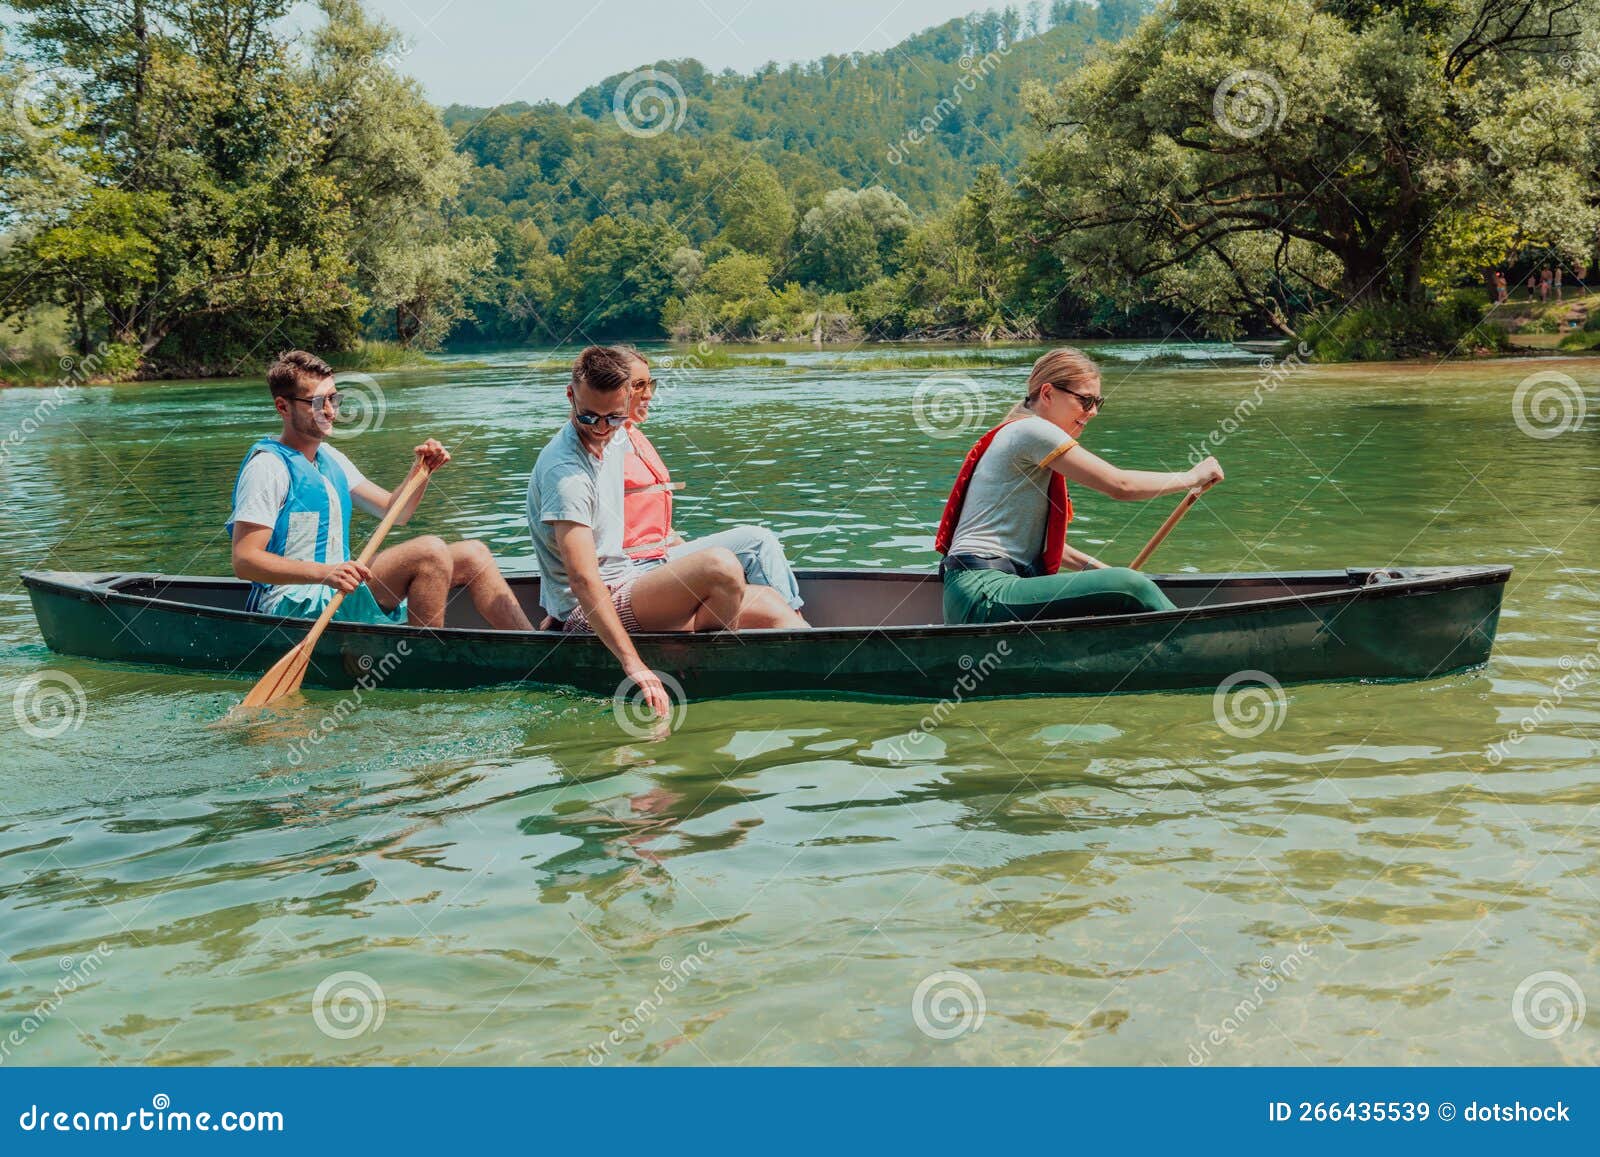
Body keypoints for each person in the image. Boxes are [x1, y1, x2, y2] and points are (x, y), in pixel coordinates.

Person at [527, 346, 805, 714]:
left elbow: (625, 392)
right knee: (720, 567)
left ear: (628, 402)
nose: (599, 429)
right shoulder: (567, 474)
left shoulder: (618, 431)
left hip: (628, 584)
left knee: (772, 605)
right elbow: (582, 580)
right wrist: (633, 664)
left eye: (612, 418)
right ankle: (694, 666)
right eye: (589, 416)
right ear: (570, 396)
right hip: (589, 612)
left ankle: (820, 676)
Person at [229, 350, 533, 631]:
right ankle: (424, 662)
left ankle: (533, 646)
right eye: (317, 403)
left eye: (334, 399)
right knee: (429, 550)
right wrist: (323, 572)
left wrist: (421, 470)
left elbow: (394, 512)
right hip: (290, 606)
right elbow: (244, 561)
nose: (331, 411)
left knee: (474, 555)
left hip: (335, 591)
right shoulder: (268, 467)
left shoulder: (331, 459)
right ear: (283, 406)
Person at [935, 347, 1225, 625]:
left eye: (1098, 403)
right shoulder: (1033, 430)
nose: (1093, 412)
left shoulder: (1024, 435)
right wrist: (1193, 476)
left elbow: (1051, 549)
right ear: (1047, 393)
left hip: (979, 593)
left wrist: (1102, 574)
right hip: (984, 592)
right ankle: (1201, 643)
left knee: (1122, 581)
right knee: (1130, 585)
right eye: (1085, 400)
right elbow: (1119, 485)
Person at [614, 346, 807, 619]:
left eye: (651, 384)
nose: (648, 394)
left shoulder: (632, 435)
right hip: (638, 571)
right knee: (758, 542)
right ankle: (795, 624)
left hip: (660, 557)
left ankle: (791, 620)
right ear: (614, 389)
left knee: (757, 542)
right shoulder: (606, 446)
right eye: (639, 386)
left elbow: (650, 523)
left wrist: (688, 555)